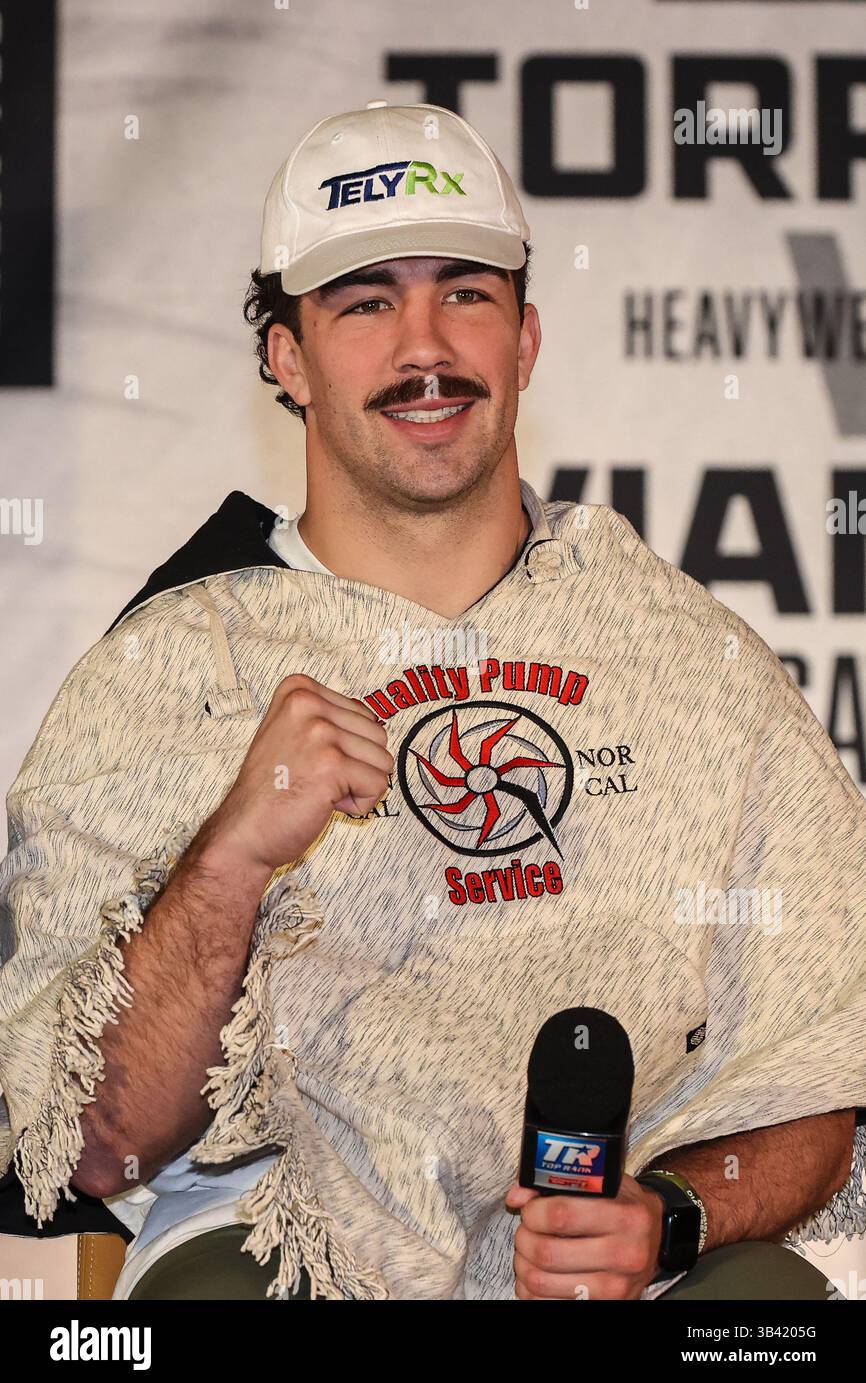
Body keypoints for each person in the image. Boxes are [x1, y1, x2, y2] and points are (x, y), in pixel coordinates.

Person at [0, 101, 864, 1303]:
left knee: (769, 1313)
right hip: (286, 1245)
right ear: (286, 359)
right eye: (364, 303)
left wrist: (671, 1216)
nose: (424, 347)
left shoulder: (686, 658)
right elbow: (94, 1145)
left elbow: (819, 1060)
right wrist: (233, 855)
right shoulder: (173, 664)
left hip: (621, 1276)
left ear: (525, 338)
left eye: (464, 293)